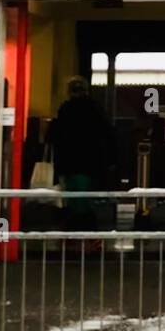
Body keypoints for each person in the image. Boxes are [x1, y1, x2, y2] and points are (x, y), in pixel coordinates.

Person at [49, 76, 117, 227]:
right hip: (91, 163)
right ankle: (86, 227)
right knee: (85, 197)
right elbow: (107, 134)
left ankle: (76, 226)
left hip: (70, 162)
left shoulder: (65, 109)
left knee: (74, 198)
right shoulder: (95, 109)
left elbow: (56, 137)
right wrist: (110, 160)